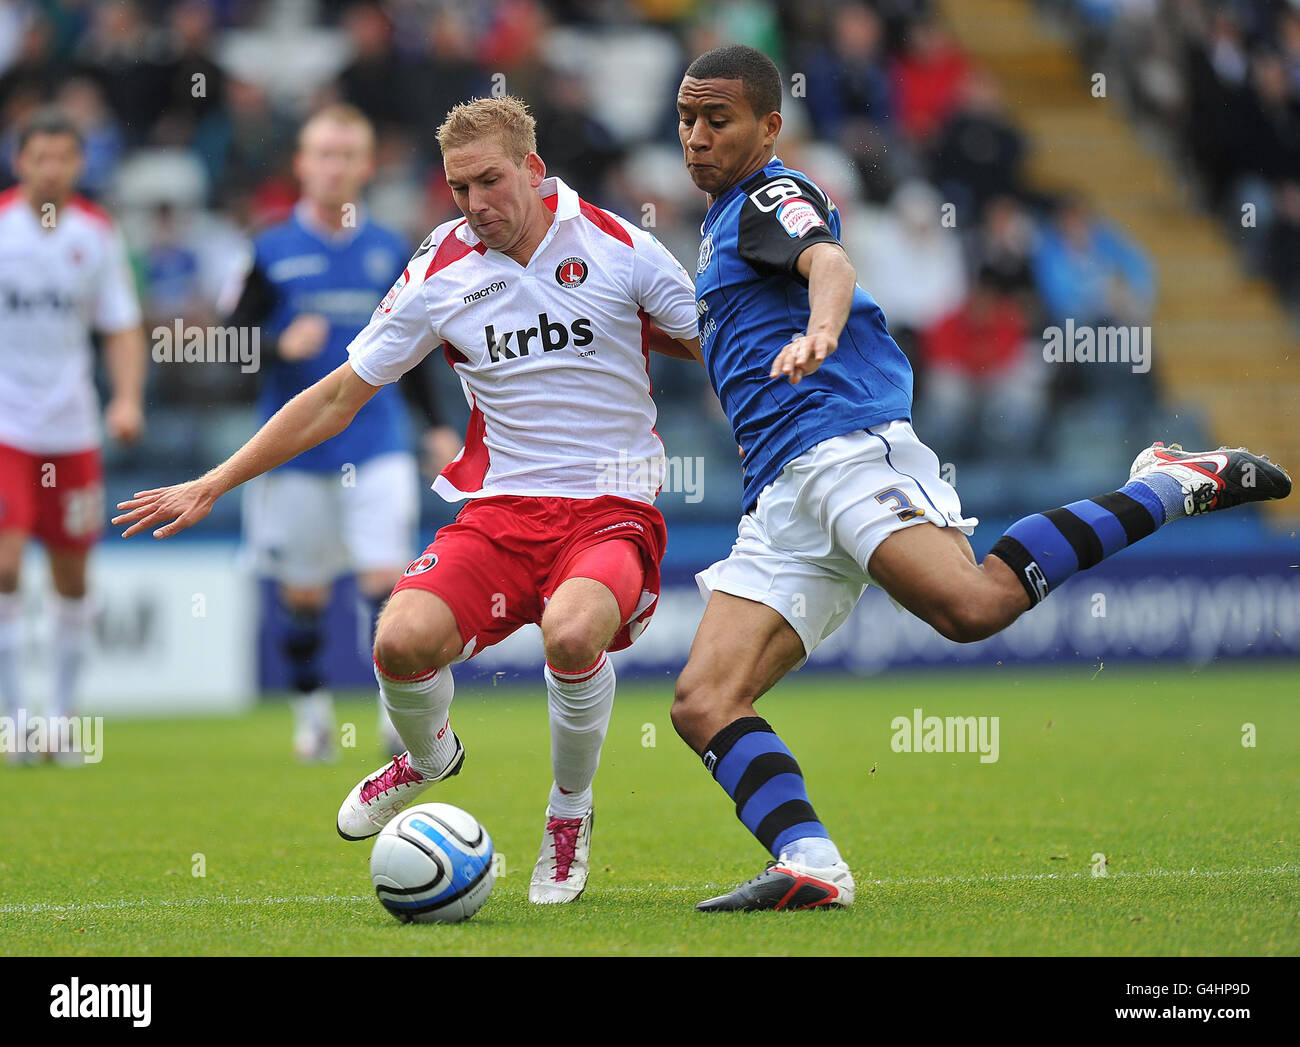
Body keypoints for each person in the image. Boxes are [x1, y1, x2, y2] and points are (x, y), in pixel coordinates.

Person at [671, 45, 1291, 912]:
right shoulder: (717, 224)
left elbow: (831, 264)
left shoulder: (774, 193)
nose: (696, 137)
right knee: (704, 700)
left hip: (842, 445)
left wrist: (819, 329)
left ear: (770, 126)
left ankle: (1170, 483)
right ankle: (812, 862)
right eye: (687, 120)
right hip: (780, 489)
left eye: (717, 120)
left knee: (971, 606)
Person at [113, 96, 700, 905]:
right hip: (499, 511)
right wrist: (214, 479)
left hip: (610, 505)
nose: (475, 204)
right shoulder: (440, 265)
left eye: (490, 181)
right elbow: (335, 397)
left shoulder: (619, 244)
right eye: (458, 188)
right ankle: (427, 757)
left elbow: (717, 342)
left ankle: (568, 815)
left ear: (532, 169)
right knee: (399, 639)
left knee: (571, 633)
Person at [221, 103, 459, 762]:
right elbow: (226, 348)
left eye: (345, 155)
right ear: (301, 165)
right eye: (322, 154)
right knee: (305, 592)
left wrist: (435, 426)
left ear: (365, 166)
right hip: (295, 452)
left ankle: (395, 721)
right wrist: (273, 343)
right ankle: (314, 717)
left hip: (376, 440)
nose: (333, 166)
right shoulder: (266, 248)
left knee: (385, 579)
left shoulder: (391, 248)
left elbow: (413, 350)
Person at [0, 107, 146, 763]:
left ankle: (60, 720)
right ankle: (13, 720)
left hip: (71, 429)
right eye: (40, 156)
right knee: (3, 565)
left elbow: (119, 325)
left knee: (72, 578)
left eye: (64, 157)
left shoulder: (96, 234)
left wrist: (127, 398)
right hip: (6, 428)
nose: (51, 168)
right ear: (20, 160)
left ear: (79, 164)